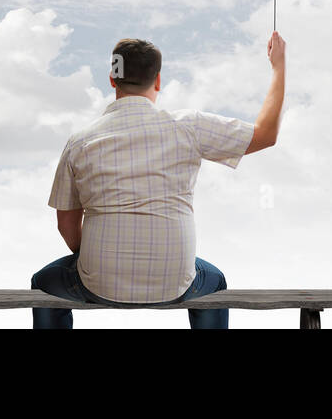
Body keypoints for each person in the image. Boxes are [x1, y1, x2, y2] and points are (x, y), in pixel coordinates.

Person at [31, 32, 286, 329]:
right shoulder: (189, 126)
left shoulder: (80, 141)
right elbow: (266, 135)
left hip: (97, 281)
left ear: (113, 79)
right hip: (175, 281)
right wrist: (278, 66)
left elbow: (66, 225)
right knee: (214, 282)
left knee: (43, 282)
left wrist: (97, 261)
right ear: (158, 80)